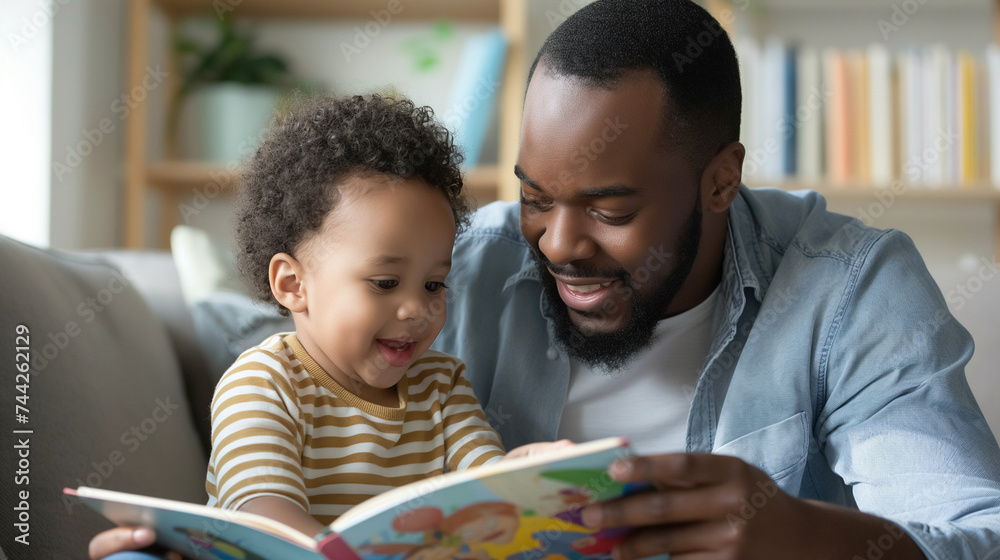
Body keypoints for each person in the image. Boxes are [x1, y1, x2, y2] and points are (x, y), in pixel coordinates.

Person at [91, 1, 1000, 559]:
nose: (557, 245)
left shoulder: (849, 291)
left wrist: (812, 543)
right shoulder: (463, 259)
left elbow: (975, 536)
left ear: (721, 179)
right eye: (535, 196)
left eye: (609, 209)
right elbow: (301, 358)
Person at [91, 94, 562, 560]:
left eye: (434, 284)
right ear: (293, 284)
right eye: (385, 282)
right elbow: (263, 515)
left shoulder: (441, 386)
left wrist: (529, 472)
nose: (417, 308)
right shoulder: (262, 383)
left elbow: (490, 484)